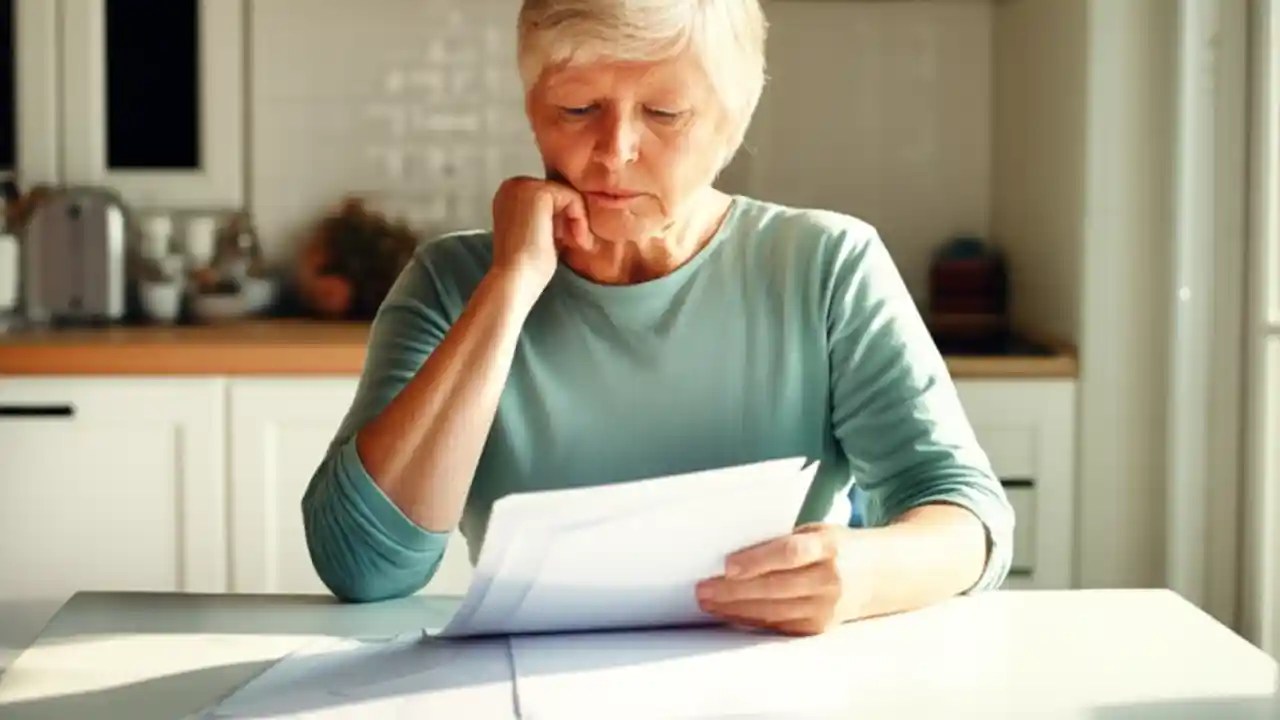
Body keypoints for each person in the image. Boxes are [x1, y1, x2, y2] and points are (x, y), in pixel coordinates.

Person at [301, 0, 1014, 637]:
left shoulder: (827, 264)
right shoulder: (450, 282)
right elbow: (363, 567)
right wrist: (510, 284)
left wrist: (861, 575)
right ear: (532, 109)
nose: (614, 152)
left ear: (732, 124)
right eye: (577, 109)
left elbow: (971, 520)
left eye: (665, 114)